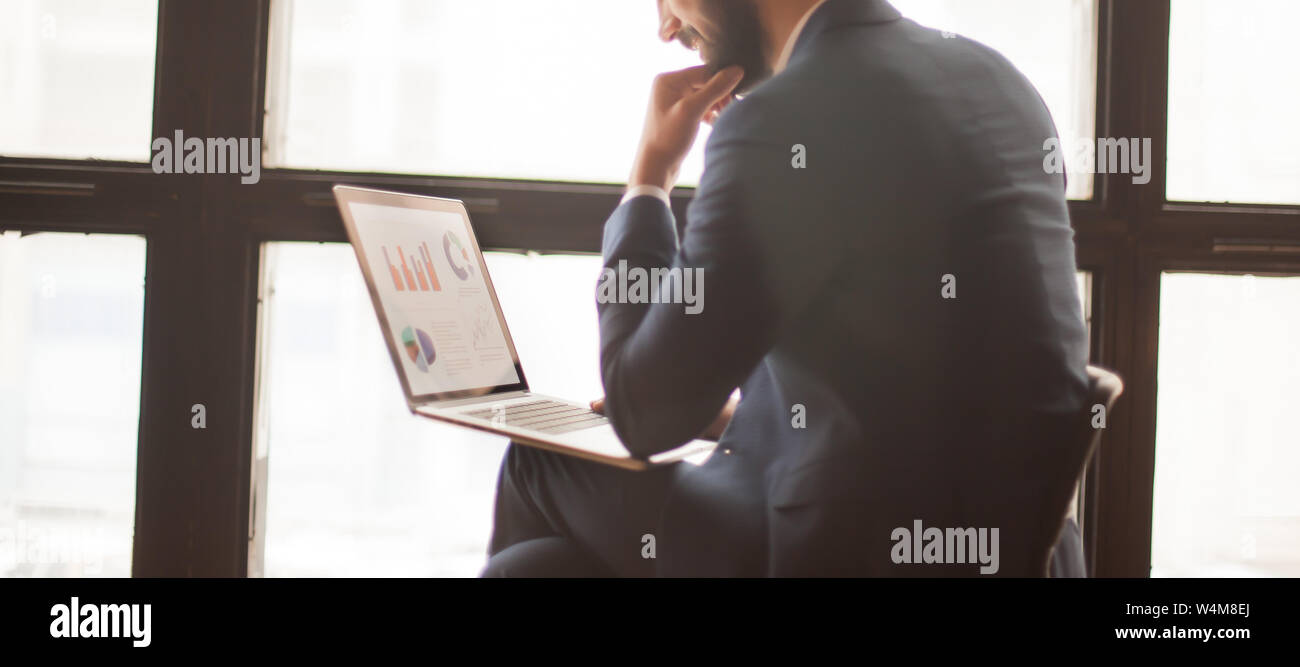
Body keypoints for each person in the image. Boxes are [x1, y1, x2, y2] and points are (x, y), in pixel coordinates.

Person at [483, 0, 1090, 577]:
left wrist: (650, 178)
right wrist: (734, 419)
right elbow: (921, 372)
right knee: (531, 570)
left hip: (839, 553)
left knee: (538, 462)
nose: (665, 27)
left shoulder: (783, 118)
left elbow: (644, 413)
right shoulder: (998, 80)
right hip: (1005, 549)